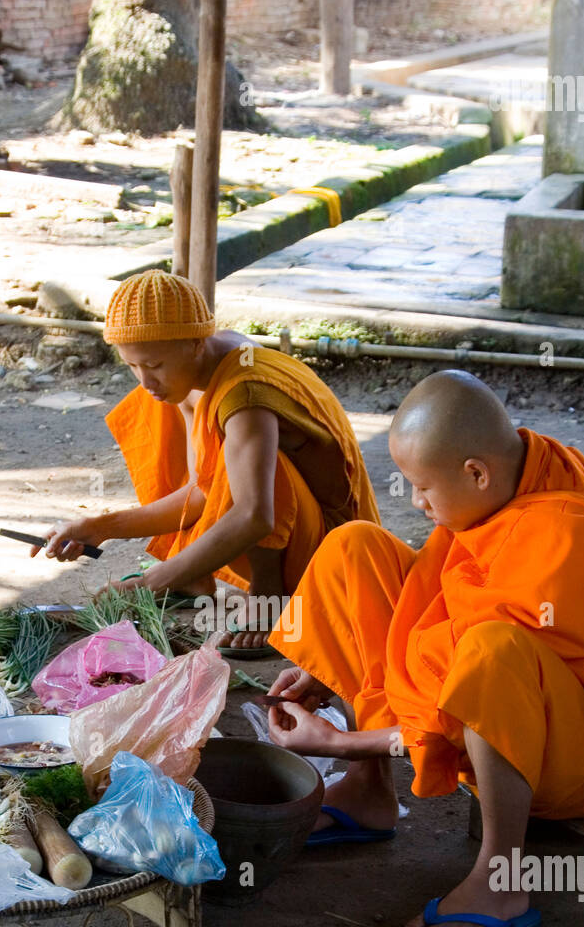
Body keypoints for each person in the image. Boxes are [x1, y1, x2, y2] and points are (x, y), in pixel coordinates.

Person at [264, 369, 584, 927]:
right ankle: (366, 794)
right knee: (353, 547)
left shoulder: (567, 536)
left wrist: (342, 742)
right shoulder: (514, 477)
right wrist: (339, 658)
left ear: (476, 472)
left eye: (422, 487)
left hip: (581, 759)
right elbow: (441, 606)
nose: (416, 502)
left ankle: (502, 878)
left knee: (492, 650)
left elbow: (476, 662)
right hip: (506, 705)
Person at [33, 271, 379, 654]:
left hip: (335, 555)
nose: (146, 380)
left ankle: (271, 597)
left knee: (253, 468)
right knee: (157, 414)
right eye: (133, 366)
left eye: (155, 365)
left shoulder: (244, 394)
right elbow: (202, 492)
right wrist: (100, 527)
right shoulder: (195, 375)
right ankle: (192, 570)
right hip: (293, 528)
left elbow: (254, 515)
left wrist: (150, 584)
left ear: (197, 343)